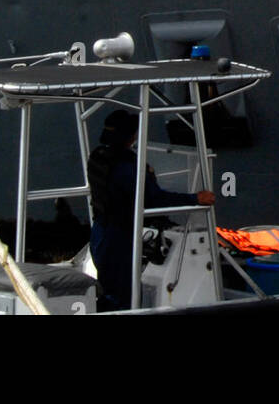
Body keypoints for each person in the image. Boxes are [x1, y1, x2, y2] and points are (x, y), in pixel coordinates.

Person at [87, 109, 216, 311]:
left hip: (100, 232)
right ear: (131, 135)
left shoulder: (98, 157)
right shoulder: (127, 166)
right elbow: (154, 199)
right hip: (118, 240)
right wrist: (195, 198)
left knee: (109, 290)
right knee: (123, 298)